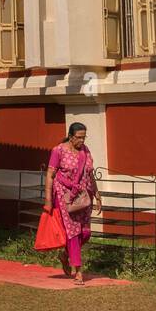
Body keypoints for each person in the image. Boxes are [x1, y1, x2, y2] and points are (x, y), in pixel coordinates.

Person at [43, 121, 102, 284]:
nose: (82, 141)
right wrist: (48, 200)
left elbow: (90, 174)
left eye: (84, 137)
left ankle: (65, 255)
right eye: (79, 137)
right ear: (70, 137)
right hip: (65, 196)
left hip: (84, 196)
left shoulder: (85, 151)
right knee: (73, 232)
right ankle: (78, 271)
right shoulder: (58, 151)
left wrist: (97, 193)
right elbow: (50, 174)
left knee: (86, 233)